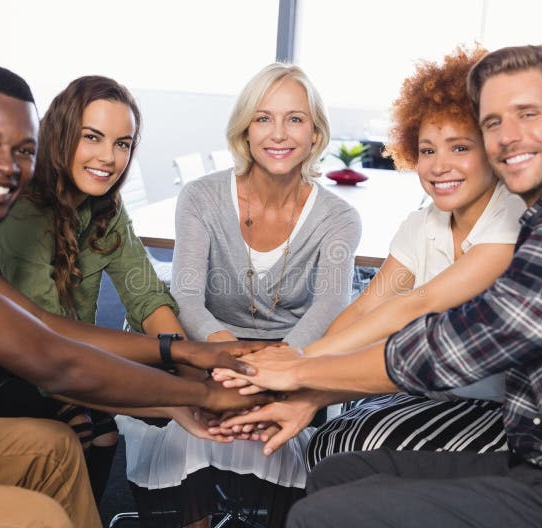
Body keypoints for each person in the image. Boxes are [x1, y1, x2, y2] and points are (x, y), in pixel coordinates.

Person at [222, 45, 542, 528]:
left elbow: (449, 346)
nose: (508, 136)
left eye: (528, 114)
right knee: (340, 472)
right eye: (494, 122)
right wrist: (307, 386)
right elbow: (381, 304)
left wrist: (300, 371)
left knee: (321, 516)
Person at [0, 65, 271, 528]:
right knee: (39, 517)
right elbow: (54, 361)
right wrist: (201, 393)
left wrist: (187, 351)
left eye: (23, 150)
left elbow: (48, 327)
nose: (8, 165)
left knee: (54, 449)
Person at [215, 46, 526, 466]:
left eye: (460, 148)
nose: (439, 166)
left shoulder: (513, 216)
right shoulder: (423, 226)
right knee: (329, 444)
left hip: (517, 411)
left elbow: (419, 302)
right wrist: (303, 390)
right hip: (436, 388)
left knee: (346, 453)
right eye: (428, 150)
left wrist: (300, 363)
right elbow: (368, 306)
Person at [118, 62, 361, 528]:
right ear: (245, 130)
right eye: (264, 117)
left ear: (315, 134)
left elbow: (330, 305)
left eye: (295, 118)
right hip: (206, 348)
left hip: (293, 354)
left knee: (283, 438)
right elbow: (186, 296)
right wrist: (226, 359)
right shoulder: (201, 198)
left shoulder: (340, 218)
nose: (279, 133)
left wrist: (276, 368)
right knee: (194, 431)